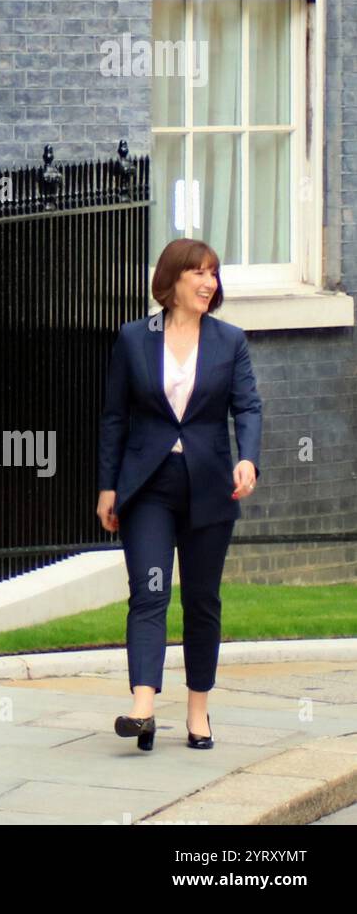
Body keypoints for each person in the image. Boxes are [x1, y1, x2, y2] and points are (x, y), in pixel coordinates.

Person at [97, 237, 262, 752]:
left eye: (213, 273)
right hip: (148, 487)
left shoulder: (229, 340)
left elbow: (248, 407)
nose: (209, 282)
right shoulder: (132, 339)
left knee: (201, 600)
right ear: (171, 282)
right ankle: (143, 708)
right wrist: (108, 486)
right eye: (198, 273)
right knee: (149, 592)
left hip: (211, 488)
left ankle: (198, 711)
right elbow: (114, 417)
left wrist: (248, 457)